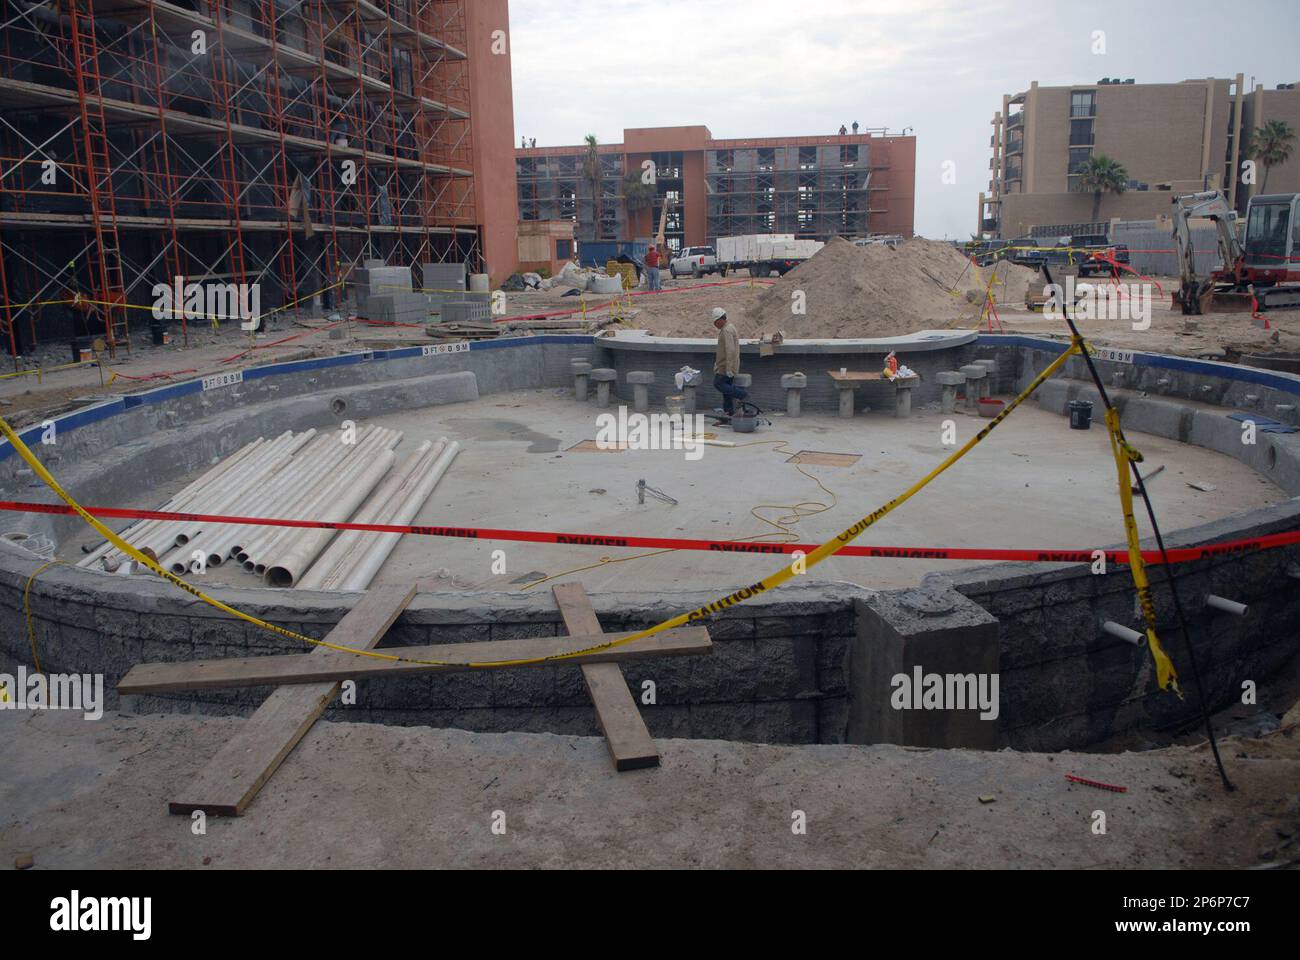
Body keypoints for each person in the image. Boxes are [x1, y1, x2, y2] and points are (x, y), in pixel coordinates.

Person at [712, 307, 746, 415]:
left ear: (721, 319)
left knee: (718, 384)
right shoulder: (729, 327)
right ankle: (728, 412)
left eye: (716, 322)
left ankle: (741, 394)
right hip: (726, 365)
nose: (715, 325)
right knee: (726, 392)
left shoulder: (726, 330)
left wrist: (728, 368)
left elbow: (730, 350)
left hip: (725, 367)